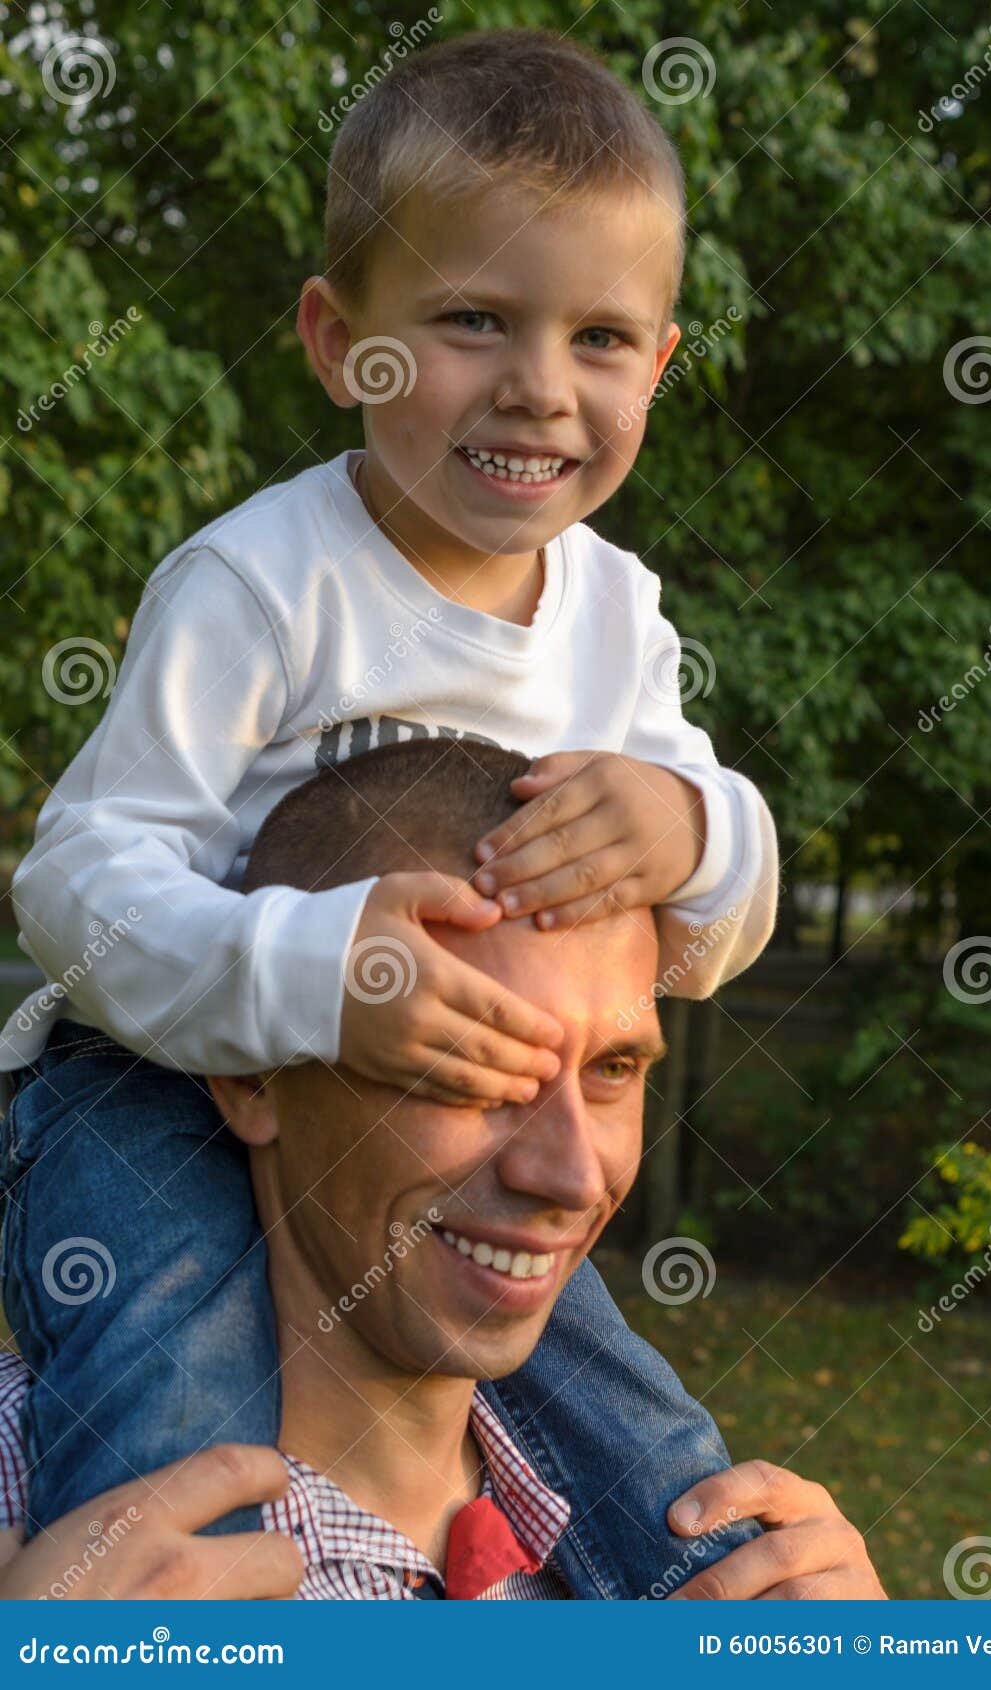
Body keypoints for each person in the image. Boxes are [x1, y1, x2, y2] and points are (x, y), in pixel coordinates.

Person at [0, 25, 777, 1587]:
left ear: (664, 361)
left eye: (602, 338)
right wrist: (313, 968)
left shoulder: (618, 618)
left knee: (629, 1422)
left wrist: (699, 832)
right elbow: (80, 881)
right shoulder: (258, 582)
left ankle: (714, 1613)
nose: (541, 389)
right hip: (153, 1080)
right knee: (175, 1394)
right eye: (475, 320)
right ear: (336, 337)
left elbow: (701, 935)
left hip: (457, 1126)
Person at [0, 743, 883, 1601]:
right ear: (254, 1074)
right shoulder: (43, 1526)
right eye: (467, 1067)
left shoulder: (707, 1562)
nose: (573, 1176)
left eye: (613, 1069)